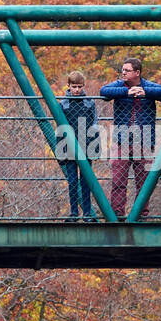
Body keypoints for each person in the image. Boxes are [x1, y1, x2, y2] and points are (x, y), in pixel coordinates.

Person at [100, 57, 161, 219]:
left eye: (127, 70)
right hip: (121, 142)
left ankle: (141, 214)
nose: (123, 73)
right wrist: (127, 92)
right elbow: (103, 91)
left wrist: (145, 92)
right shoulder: (119, 86)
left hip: (145, 142)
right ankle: (117, 215)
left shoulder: (147, 86)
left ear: (137, 72)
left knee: (144, 183)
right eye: (123, 70)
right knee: (118, 181)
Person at [57, 71, 101, 221]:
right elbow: (60, 128)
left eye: (79, 86)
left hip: (86, 145)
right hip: (69, 146)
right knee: (72, 181)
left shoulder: (89, 102)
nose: (77, 90)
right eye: (74, 86)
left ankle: (87, 213)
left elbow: (95, 123)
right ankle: (74, 212)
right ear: (68, 86)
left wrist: (95, 147)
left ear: (84, 86)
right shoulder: (63, 103)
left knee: (86, 180)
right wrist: (60, 151)